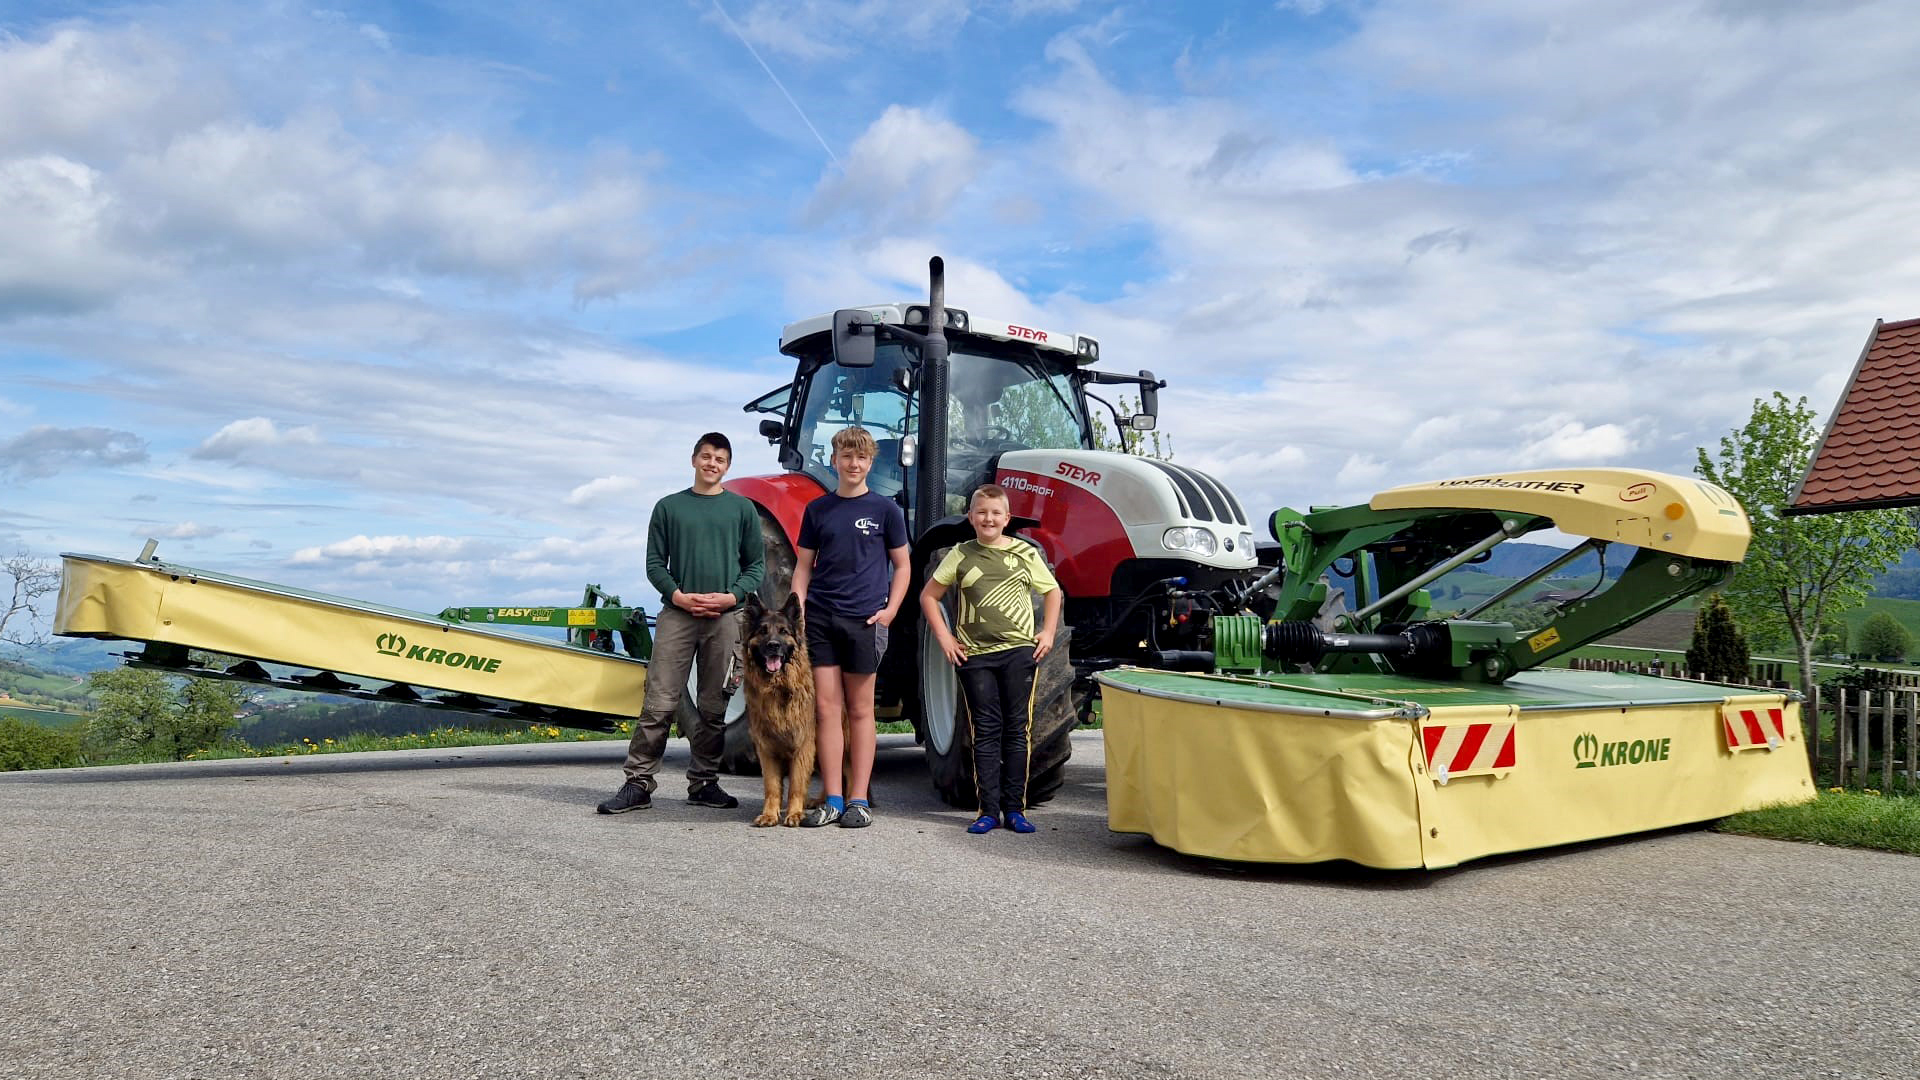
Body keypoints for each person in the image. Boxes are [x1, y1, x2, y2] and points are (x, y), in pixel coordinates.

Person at [597, 433, 763, 815]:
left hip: (724, 616)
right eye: (706, 456)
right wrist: (677, 596)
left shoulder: (742, 510)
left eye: (719, 459)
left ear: (727, 466)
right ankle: (638, 783)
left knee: (714, 704)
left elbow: (756, 566)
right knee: (659, 700)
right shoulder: (669, 507)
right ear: (693, 460)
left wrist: (732, 596)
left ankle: (704, 782)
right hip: (678, 614)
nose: (712, 464)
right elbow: (655, 563)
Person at [918, 483, 1062, 834]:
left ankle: (1015, 810)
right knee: (985, 732)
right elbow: (929, 596)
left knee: (1017, 731)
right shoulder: (961, 554)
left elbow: (1052, 591)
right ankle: (988, 810)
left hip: (1018, 653)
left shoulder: (1025, 553)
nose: (989, 518)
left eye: (996, 513)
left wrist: (1048, 633)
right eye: (982, 512)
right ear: (971, 517)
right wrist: (944, 637)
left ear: (1007, 518)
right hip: (977, 656)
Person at [793, 426, 910, 828]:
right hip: (821, 618)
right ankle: (833, 799)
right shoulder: (818, 510)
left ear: (870, 463)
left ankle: (859, 800)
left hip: (865, 619)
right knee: (827, 710)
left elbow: (904, 566)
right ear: (834, 460)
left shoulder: (885, 511)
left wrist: (891, 610)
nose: (853, 464)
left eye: (860, 458)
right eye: (846, 456)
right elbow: (803, 568)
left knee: (861, 711)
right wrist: (800, 612)